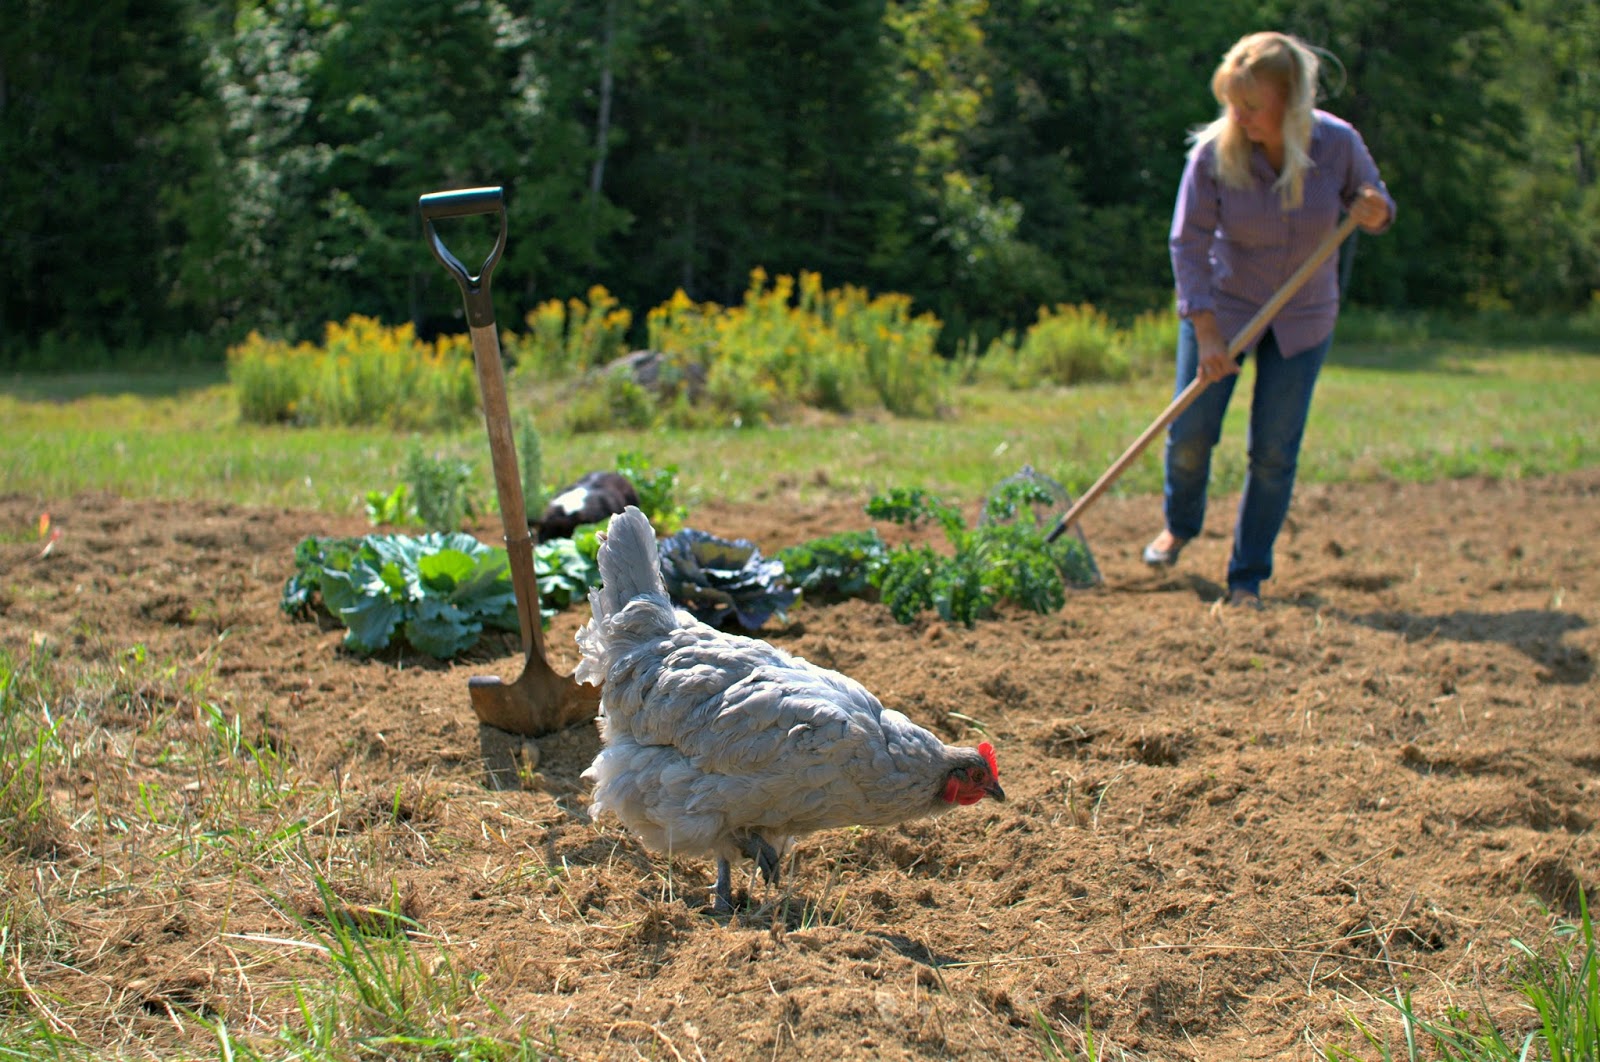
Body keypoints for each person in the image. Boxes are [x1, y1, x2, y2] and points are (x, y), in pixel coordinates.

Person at [1143, 30, 1394, 610]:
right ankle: (1180, 525)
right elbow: (1188, 243)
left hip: (1304, 315)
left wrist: (1375, 209)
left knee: (1275, 452)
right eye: (1233, 101)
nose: (1240, 115)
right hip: (1223, 308)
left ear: (1292, 99)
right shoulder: (1212, 153)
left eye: (1252, 105)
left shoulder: (1337, 143)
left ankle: (1247, 575)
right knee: (1191, 435)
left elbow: (1375, 202)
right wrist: (1205, 329)